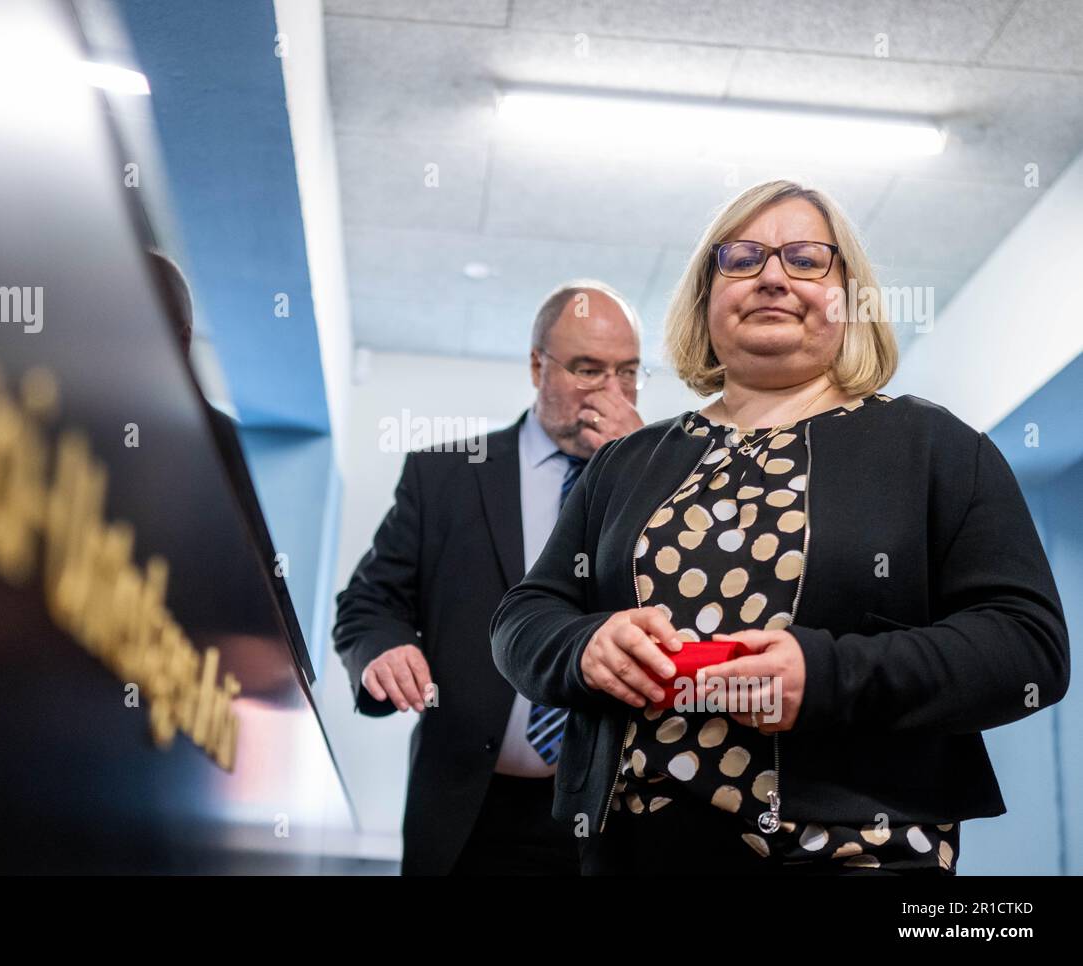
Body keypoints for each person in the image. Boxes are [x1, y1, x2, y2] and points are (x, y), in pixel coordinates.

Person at [490, 180, 1070, 876]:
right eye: (740, 258)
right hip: (635, 852)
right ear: (708, 296)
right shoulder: (629, 462)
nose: (770, 276)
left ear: (849, 294)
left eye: (805, 259)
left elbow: (1026, 645)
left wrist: (828, 677)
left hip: (856, 852)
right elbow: (522, 618)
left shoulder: (936, 448)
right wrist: (585, 646)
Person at [334, 280, 650, 874]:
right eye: (587, 369)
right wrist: (384, 647)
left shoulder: (656, 487)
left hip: (599, 814)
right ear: (537, 366)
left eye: (628, 373)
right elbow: (368, 602)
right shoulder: (445, 476)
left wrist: (638, 471)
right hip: (464, 806)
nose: (611, 392)